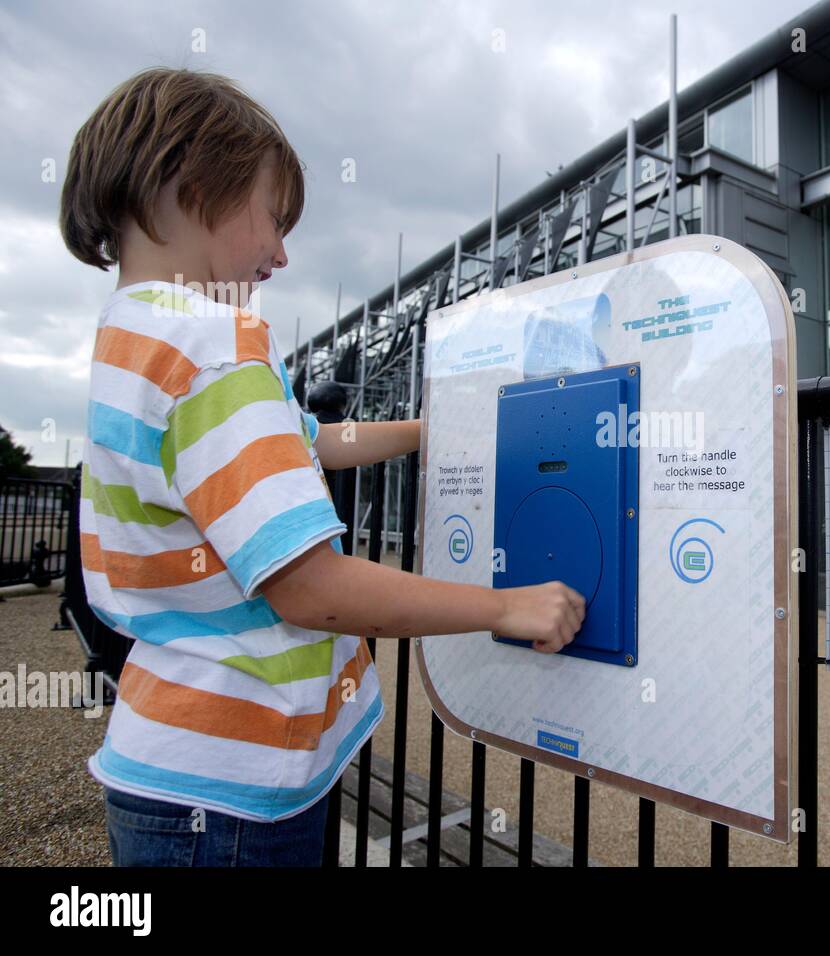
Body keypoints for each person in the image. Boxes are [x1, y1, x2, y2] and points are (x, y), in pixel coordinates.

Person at [59, 66, 585, 867]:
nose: (281, 251)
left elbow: (307, 440)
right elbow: (307, 587)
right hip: (238, 792)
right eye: (273, 217)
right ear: (193, 180)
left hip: (168, 761)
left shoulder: (131, 341)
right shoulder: (213, 346)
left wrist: (435, 429)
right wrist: (504, 606)